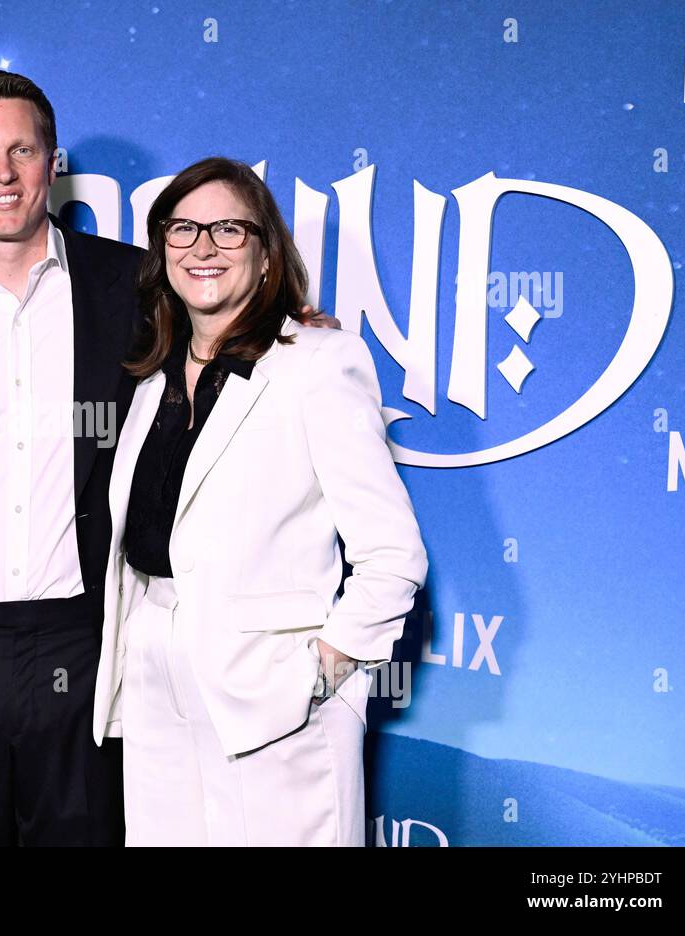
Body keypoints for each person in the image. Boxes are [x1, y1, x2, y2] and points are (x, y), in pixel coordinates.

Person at [0, 72, 334, 846]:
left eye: (21, 151)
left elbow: (232, 322)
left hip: (94, 652)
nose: (2, 175)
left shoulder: (136, 285)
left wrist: (294, 326)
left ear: (51, 160)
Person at [91, 156, 428, 846]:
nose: (203, 248)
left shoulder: (318, 363)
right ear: (161, 251)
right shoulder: (152, 378)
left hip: (273, 689)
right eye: (182, 229)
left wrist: (318, 673)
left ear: (267, 252)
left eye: (228, 231)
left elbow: (393, 556)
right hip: (155, 667)